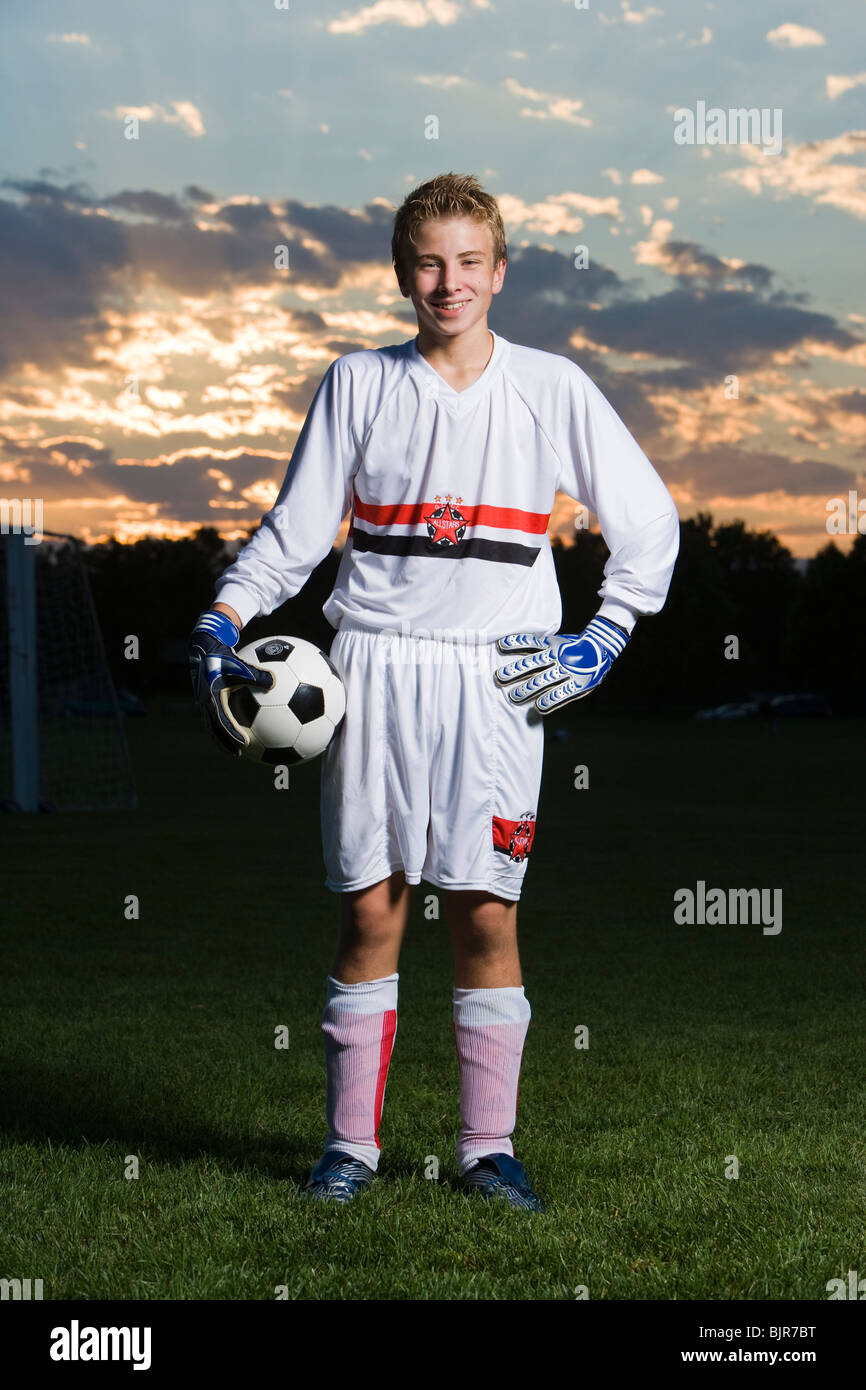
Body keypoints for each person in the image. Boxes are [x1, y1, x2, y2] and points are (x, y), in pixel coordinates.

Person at [189, 172, 679, 1211]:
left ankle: (486, 1147)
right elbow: (296, 529)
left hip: (499, 679)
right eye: (427, 262)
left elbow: (645, 517)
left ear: (498, 273)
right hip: (368, 669)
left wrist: (604, 630)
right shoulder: (358, 382)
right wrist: (227, 612)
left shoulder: (550, 386)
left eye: (467, 262)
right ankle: (348, 1148)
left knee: (484, 914)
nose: (446, 281)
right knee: (370, 908)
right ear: (401, 274)